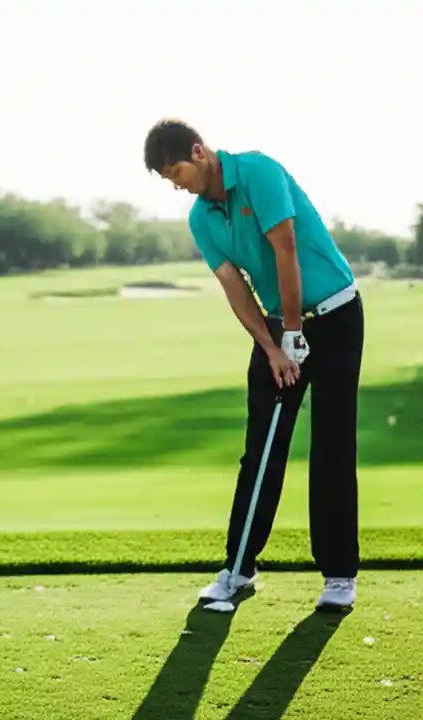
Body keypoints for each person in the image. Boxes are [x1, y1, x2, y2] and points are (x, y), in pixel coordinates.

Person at [143, 119, 364, 611]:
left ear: (199, 152)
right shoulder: (202, 219)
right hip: (278, 328)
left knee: (332, 446)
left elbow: (285, 250)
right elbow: (234, 286)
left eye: (175, 171)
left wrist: (293, 334)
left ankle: (339, 575)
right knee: (261, 447)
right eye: (165, 178)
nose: (175, 183)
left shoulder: (259, 172)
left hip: (336, 315)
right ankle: (238, 569)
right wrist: (272, 348)